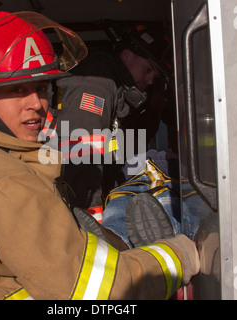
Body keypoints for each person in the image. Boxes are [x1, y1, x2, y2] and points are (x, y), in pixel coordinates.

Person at [0, 11, 199, 300]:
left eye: (41, 88)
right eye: (16, 89)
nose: (36, 103)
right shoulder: (8, 184)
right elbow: (102, 294)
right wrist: (180, 255)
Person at [45, 21, 174, 220]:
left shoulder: (119, 89)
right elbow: (81, 152)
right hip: (77, 197)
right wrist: (91, 216)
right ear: (127, 55)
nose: (149, 80)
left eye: (154, 76)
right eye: (148, 69)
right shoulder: (97, 84)